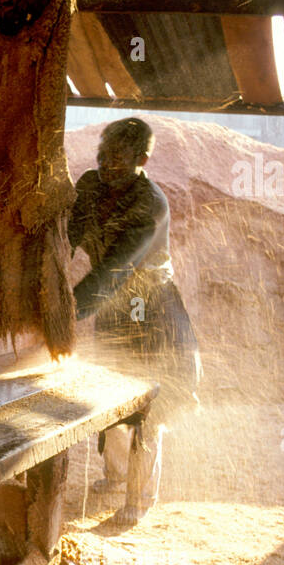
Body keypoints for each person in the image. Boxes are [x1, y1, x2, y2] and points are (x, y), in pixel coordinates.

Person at [68, 117, 201, 526]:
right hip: (113, 310)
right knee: (110, 397)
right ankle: (114, 477)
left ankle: (139, 498)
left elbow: (115, 271)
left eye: (119, 160)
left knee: (148, 404)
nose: (108, 167)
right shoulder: (90, 186)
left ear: (143, 158)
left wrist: (63, 312)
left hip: (154, 311)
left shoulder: (151, 204)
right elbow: (64, 235)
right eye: (103, 157)